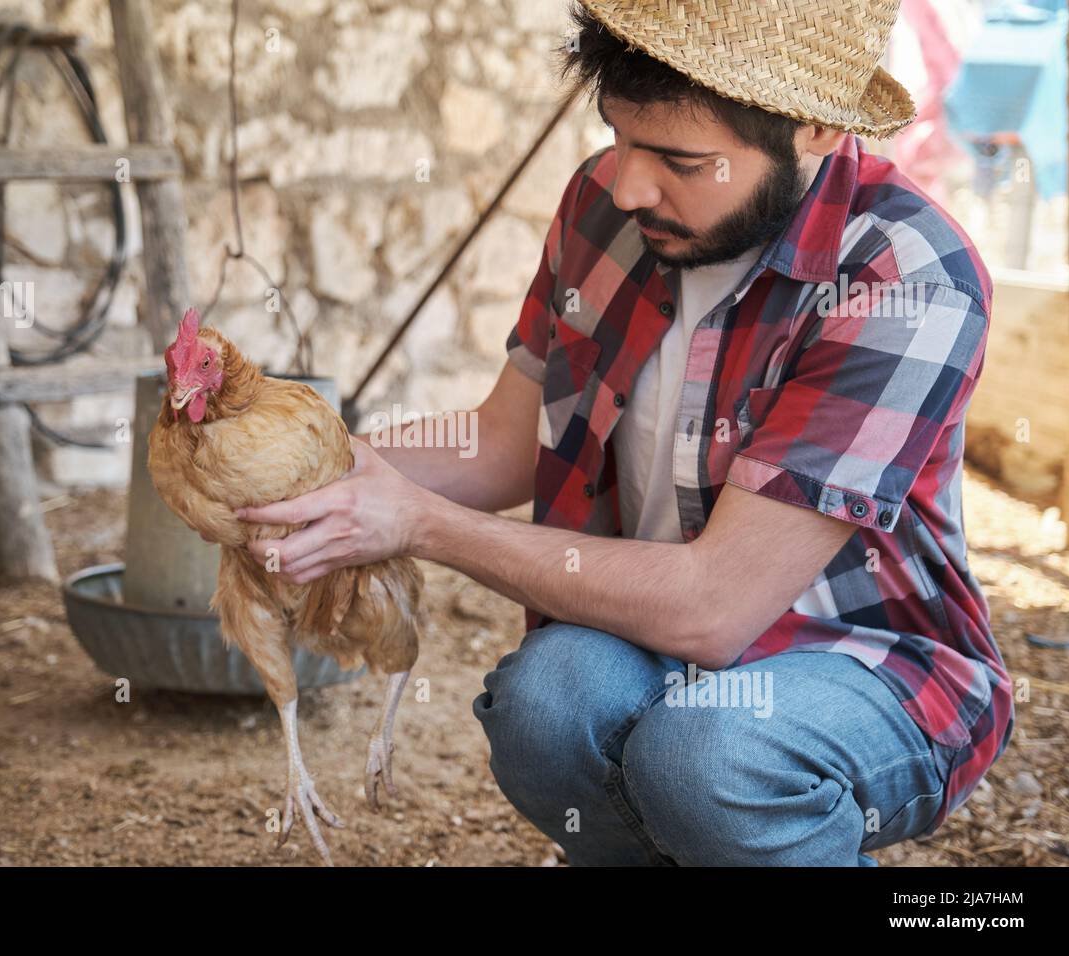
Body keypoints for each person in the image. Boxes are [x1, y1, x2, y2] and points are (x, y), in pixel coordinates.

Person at [234, 0, 1014, 865]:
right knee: (543, 705)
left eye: (680, 159)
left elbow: (714, 608)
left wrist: (418, 522)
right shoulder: (606, 205)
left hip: (869, 663)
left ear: (816, 131)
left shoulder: (907, 277)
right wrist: (295, 476)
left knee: (704, 755)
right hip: (650, 637)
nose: (629, 184)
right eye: (619, 136)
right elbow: (500, 443)